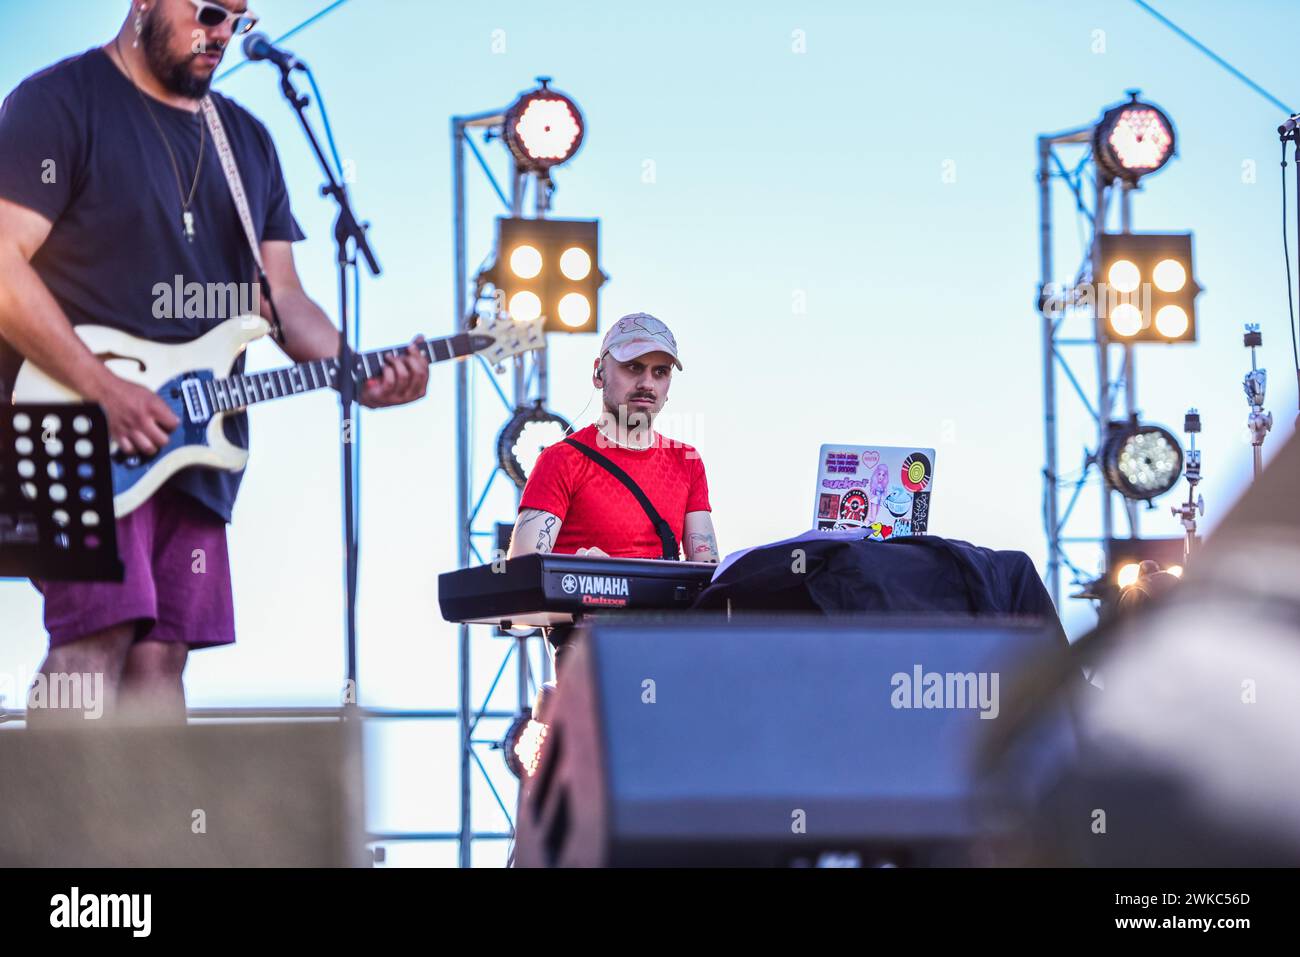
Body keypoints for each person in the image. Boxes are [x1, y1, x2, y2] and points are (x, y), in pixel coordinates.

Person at [0, 0, 430, 723]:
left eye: (237, 19)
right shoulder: (60, 102)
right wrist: (103, 388)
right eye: (206, 12)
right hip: (69, 418)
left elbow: (284, 300)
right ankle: (43, 835)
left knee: (162, 658)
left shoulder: (246, 143)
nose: (221, 34)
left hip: (199, 440)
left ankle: (149, 837)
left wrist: (359, 370)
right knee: (95, 635)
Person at [508, 313, 719, 564]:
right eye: (633, 367)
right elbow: (523, 580)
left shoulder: (687, 461)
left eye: (660, 372)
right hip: (583, 605)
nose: (647, 384)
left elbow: (707, 575)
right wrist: (588, 577)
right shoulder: (561, 460)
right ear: (598, 374)